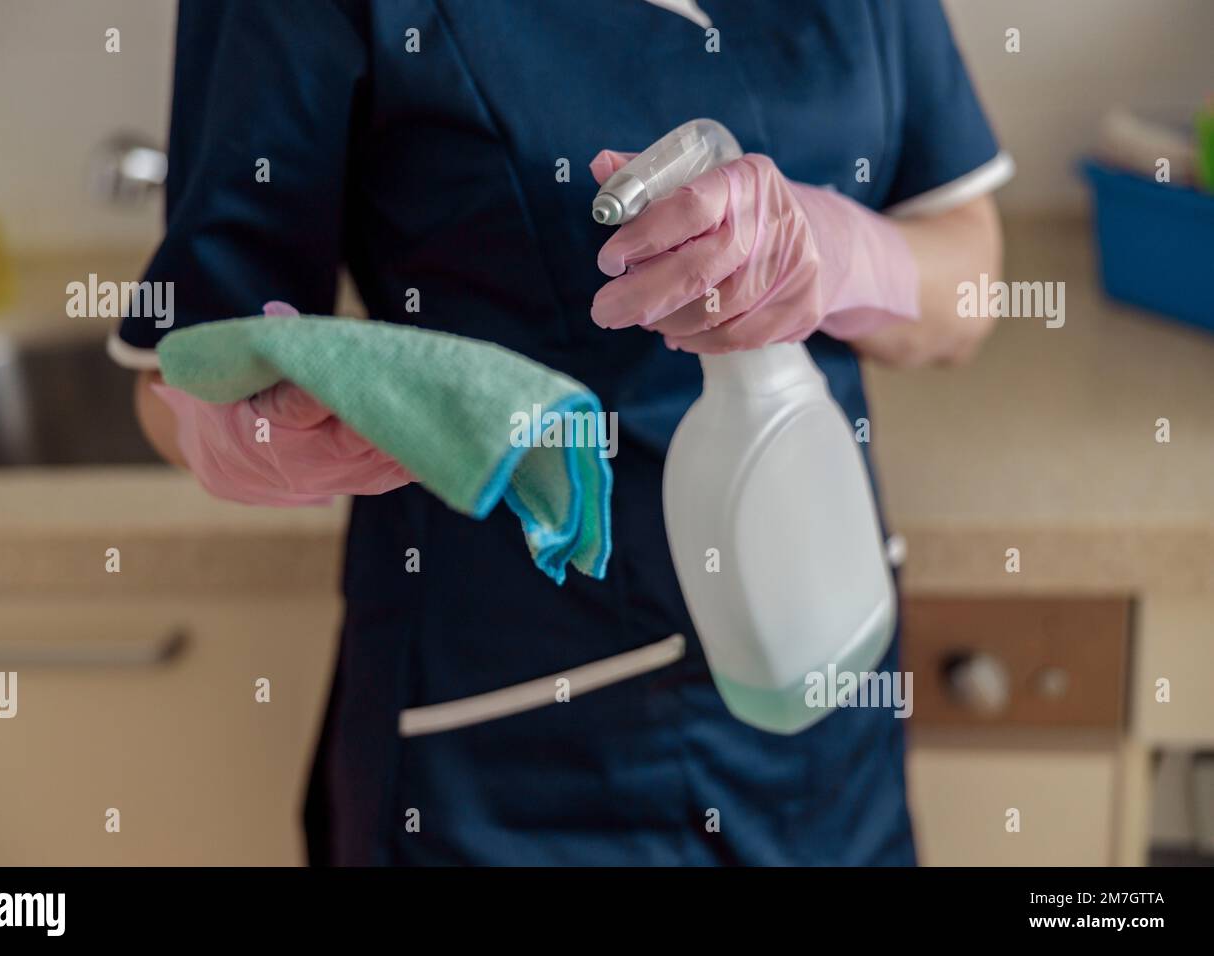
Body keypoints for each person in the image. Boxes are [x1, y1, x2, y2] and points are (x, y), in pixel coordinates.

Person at [111, 0, 1010, 865]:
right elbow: (188, 363)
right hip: (511, 748)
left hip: (820, 674)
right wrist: (236, 439)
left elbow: (968, 282)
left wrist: (842, 253)